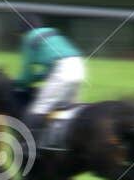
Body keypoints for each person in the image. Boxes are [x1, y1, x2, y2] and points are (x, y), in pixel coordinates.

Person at [14, 13, 85, 141]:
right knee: (68, 109)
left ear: (23, 31)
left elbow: (27, 72)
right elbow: (48, 72)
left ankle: (28, 146)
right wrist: (37, 77)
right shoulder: (52, 33)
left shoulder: (29, 38)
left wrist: (18, 84)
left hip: (61, 70)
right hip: (79, 66)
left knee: (39, 107)